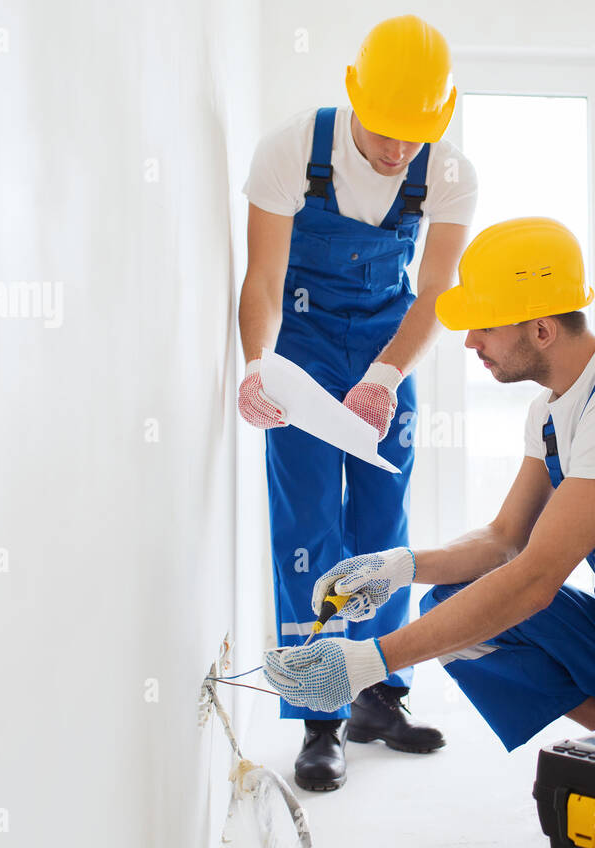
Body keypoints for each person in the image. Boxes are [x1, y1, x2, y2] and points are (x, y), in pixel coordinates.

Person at [263, 217, 595, 751]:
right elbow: (504, 540)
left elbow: (535, 576)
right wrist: (402, 567)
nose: (471, 342)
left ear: (541, 329)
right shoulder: (548, 414)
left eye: (486, 327)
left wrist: (370, 660)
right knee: (453, 606)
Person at [237, 15, 477, 790]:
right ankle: (318, 718)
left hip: (388, 349)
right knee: (308, 529)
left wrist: (385, 376)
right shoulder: (289, 150)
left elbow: (437, 291)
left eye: (416, 134)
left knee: (382, 522)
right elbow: (264, 283)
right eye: (386, 131)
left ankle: (379, 691)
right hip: (299, 351)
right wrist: (256, 366)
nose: (398, 150)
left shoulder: (448, 170)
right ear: (354, 96)